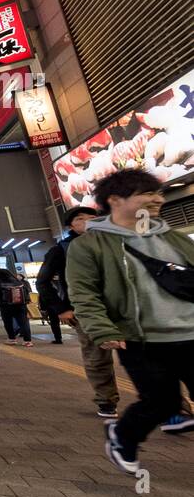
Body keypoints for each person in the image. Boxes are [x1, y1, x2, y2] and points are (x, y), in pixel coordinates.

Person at [67, 170, 194, 475]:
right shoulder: (89, 246)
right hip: (140, 339)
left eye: (158, 193)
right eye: (147, 194)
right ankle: (122, 438)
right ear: (115, 200)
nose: (157, 200)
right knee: (161, 403)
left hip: (190, 332)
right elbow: (84, 293)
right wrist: (101, 328)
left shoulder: (173, 237)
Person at [37, 205, 120, 416]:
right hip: (84, 309)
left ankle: (165, 403)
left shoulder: (115, 242)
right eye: (81, 219)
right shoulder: (61, 249)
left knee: (146, 357)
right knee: (97, 356)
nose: (88, 222)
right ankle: (106, 400)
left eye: (93, 218)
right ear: (70, 225)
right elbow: (43, 282)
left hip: (122, 308)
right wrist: (62, 309)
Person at [0, 266, 33, 346]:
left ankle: (12, 339)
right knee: (24, 322)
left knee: (8, 322)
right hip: (20, 305)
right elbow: (26, 293)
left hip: (6, 306)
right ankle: (27, 341)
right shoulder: (19, 282)